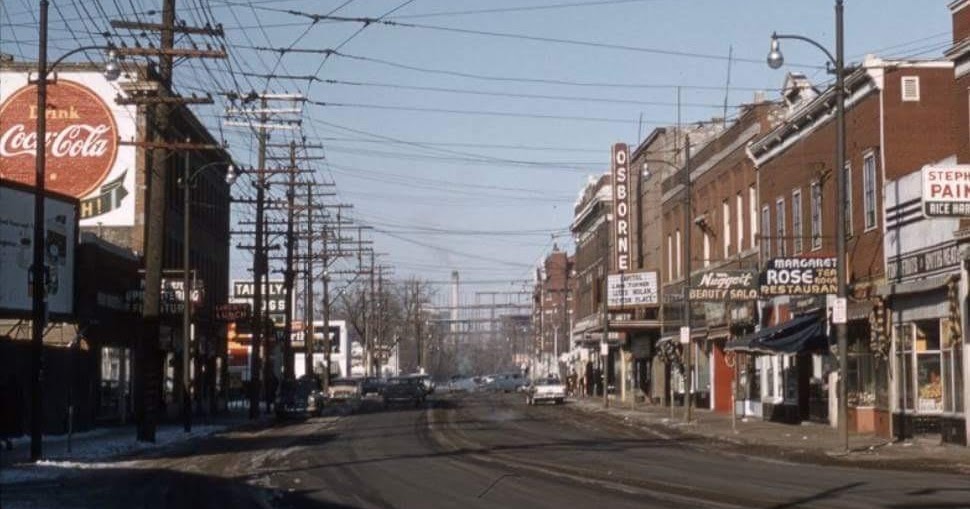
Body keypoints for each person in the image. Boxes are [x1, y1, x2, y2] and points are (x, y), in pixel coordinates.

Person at [0, 375, 24, 450]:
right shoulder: (10, 390)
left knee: (4, 430)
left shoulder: (6, 390)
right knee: (5, 430)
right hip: (6, 412)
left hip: (5, 412)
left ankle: (6, 442)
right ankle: (7, 442)